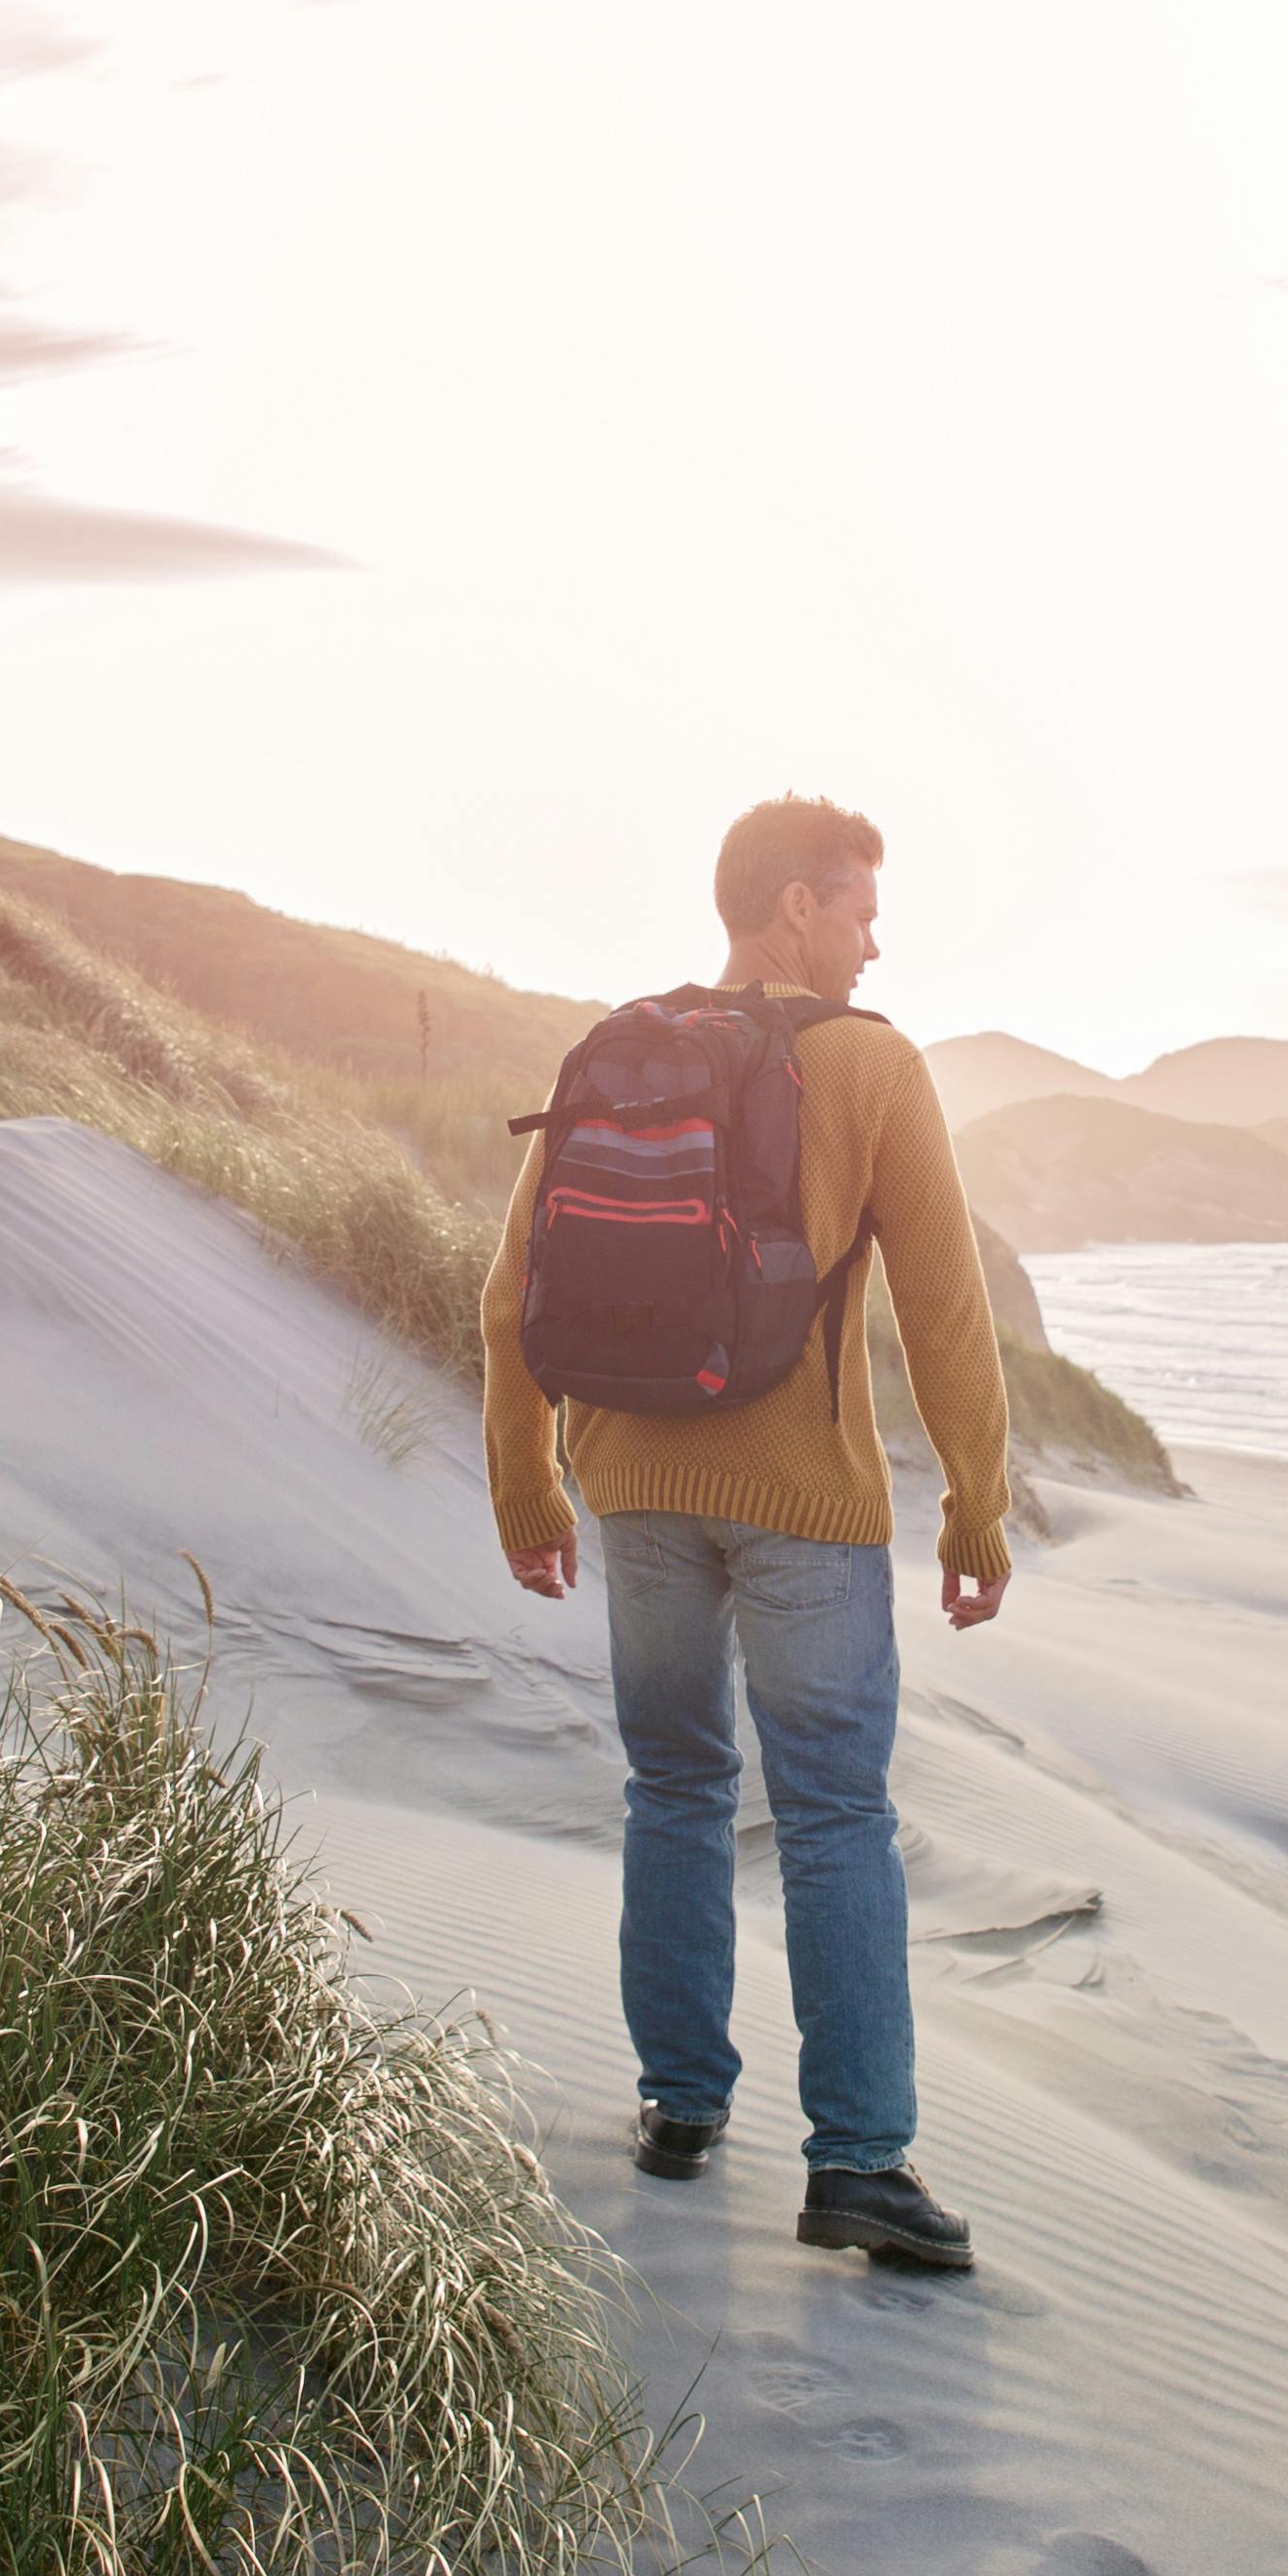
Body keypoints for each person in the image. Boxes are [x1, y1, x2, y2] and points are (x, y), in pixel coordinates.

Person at [482, 795, 1011, 2272]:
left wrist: (527, 1480)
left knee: (673, 1781)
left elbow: (509, 1287)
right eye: (855, 908)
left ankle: (678, 2105)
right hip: (800, 1504)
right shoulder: (874, 1063)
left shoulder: (620, 1048)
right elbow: (944, 1307)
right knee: (835, 1810)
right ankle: (855, 2161)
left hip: (634, 1482)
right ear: (789, 905)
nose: (872, 936)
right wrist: (975, 1498)